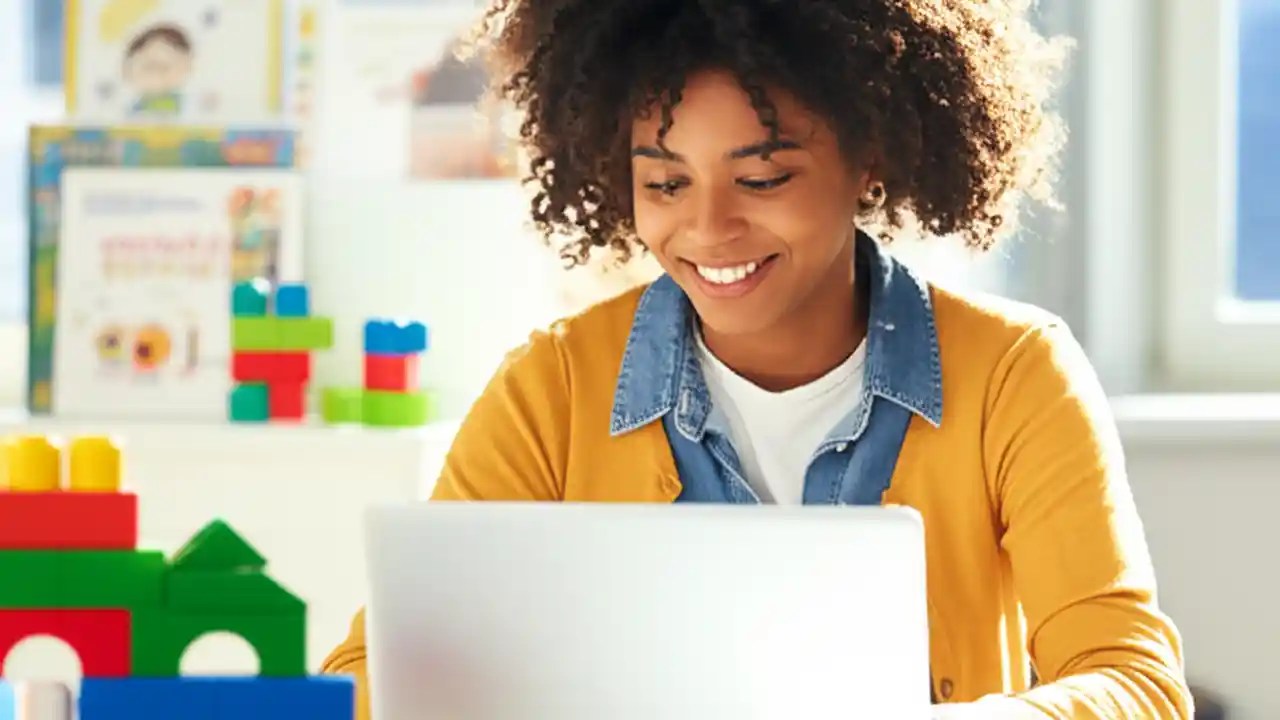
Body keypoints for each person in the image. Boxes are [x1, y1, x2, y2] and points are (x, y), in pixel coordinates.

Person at [323, 1, 1192, 718]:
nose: (707, 230)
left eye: (763, 178)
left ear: (870, 158)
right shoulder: (552, 389)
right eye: (666, 183)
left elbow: (1138, 687)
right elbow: (376, 671)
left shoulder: (1013, 376)